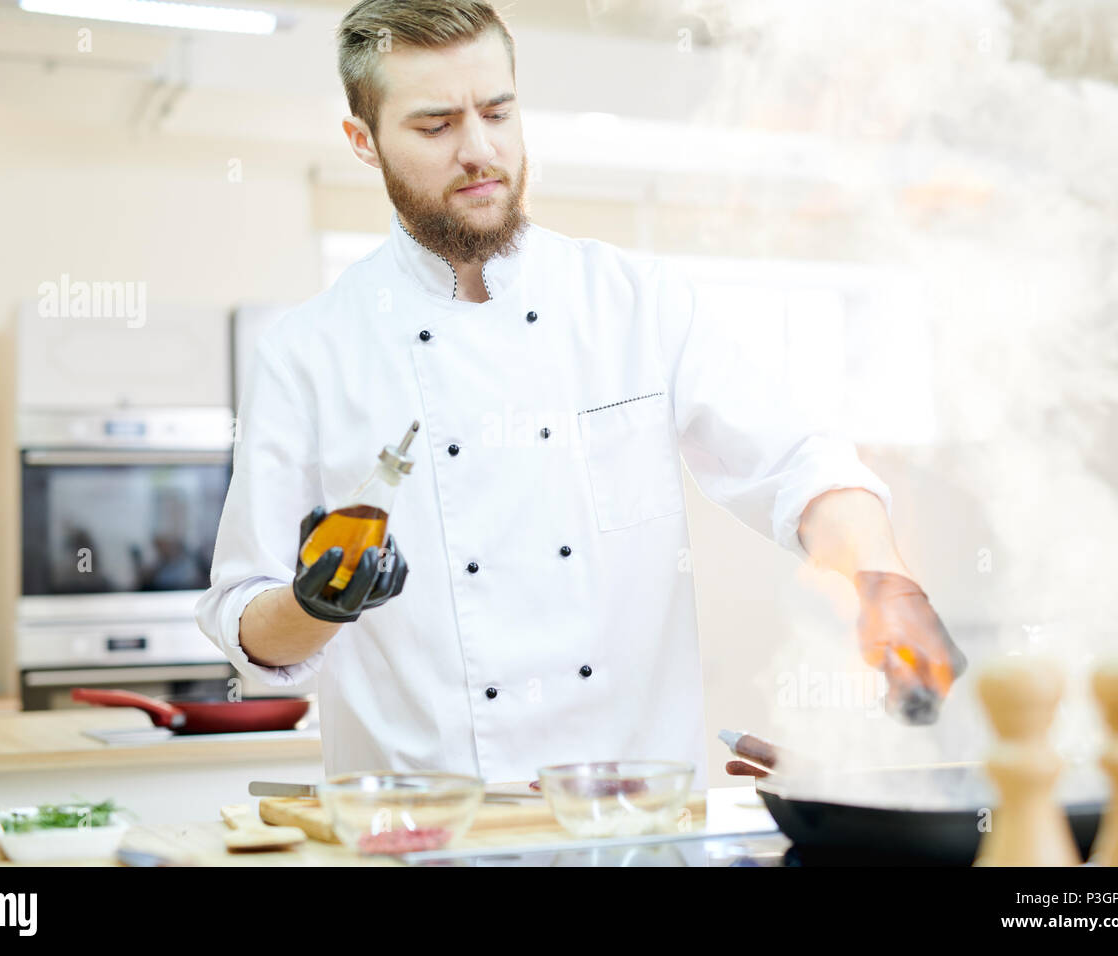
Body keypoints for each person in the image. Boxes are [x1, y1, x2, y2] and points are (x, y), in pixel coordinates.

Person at [195, 0, 965, 787]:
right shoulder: (308, 352)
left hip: (634, 818)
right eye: (435, 127)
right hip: (425, 831)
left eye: (497, 111)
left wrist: (880, 576)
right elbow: (245, 618)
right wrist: (317, 604)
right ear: (364, 142)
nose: (480, 150)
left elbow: (800, 461)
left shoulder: (637, 302)